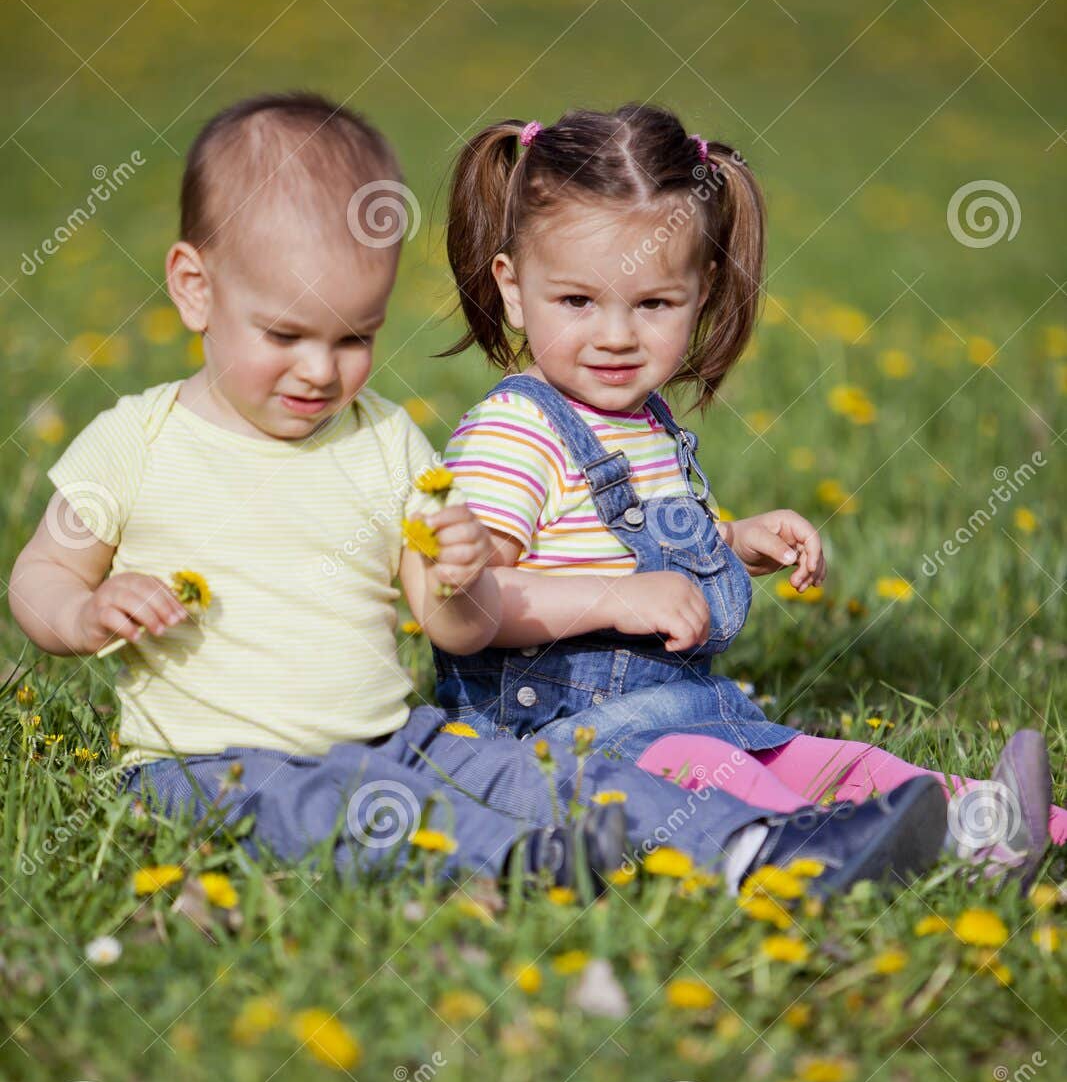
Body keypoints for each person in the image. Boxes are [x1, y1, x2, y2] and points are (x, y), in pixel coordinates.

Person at [7, 91, 949, 901]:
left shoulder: (387, 443)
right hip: (202, 767)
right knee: (343, 812)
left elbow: (456, 629)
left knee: (526, 770)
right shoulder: (136, 440)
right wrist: (84, 610)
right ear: (195, 288)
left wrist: (455, 580)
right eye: (285, 334)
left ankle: (766, 849)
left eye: (353, 338)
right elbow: (39, 575)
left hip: (392, 735)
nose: (320, 370)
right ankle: (531, 860)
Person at [432, 103, 1059, 892]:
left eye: (654, 304)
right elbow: (467, 604)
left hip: (678, 707)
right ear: (514, 291)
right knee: (726, 775)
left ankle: (1002, 821)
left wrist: (731, 540)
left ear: (700, 292)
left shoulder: (639, 421)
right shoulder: (513, 435)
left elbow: (630, 537)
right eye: (577, 302)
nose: (616, 335)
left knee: (825, 757)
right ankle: (854, 852)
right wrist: (615, 600)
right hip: (569, 741)